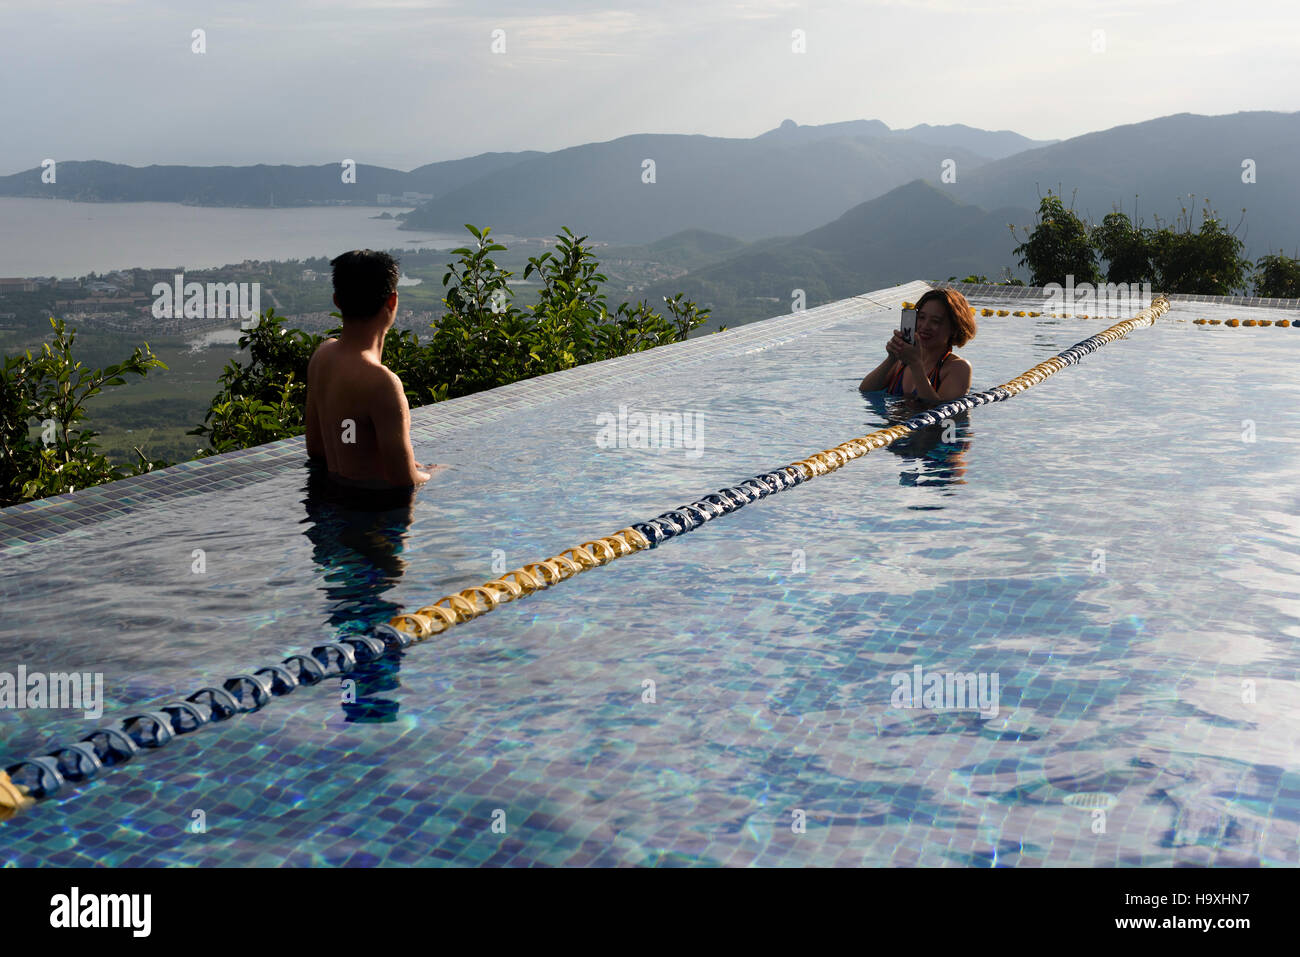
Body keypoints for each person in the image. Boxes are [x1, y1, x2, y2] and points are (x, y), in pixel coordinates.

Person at [305, 249, 436, 491]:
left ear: (337, 300)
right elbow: (403, 481)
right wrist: (434, 473)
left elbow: (316, 448)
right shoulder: (381, 382)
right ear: (392, 301)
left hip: (331, 501)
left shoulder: (322, 356)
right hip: (375, 515)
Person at [859, 288, 976, 401]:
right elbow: (866, 390)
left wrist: (915, 364)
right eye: (921, 317)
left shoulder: (958, 368)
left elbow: (938, 411)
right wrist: (891, 358)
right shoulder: (901, 362)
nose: (925, 326)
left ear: (954, 328)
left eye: (935, 321)